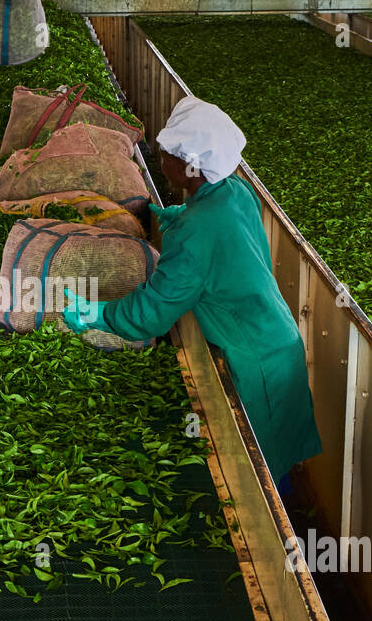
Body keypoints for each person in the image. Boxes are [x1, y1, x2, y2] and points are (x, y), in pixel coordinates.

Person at [61, 95, 322, 492]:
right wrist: (169, 216)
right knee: (275, 454)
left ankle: (288, 540)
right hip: (277, 341)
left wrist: (98, 314)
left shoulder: (195, 239)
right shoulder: (233, 191)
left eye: (166, 155)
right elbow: (209, 220)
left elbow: (153, 310)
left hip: (255, 364)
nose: (160, 160)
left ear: (191, 166)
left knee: (262, 476)